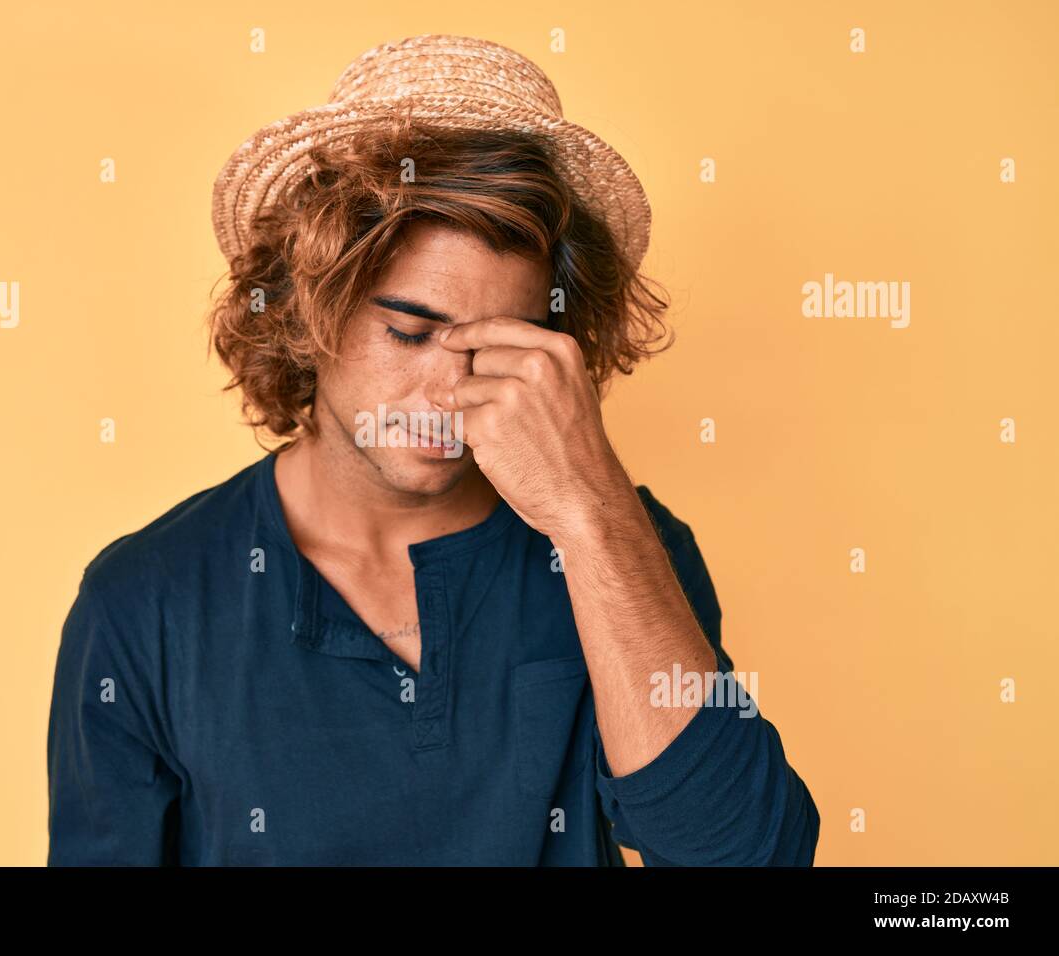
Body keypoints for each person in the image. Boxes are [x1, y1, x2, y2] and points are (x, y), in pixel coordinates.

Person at [47, 33, 819, 866]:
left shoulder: (627, 547)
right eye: (410, 333)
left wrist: (589, 516)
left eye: (504, 346)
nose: (453, 393)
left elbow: (745, 858)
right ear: (311, 311)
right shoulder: (145, 598)